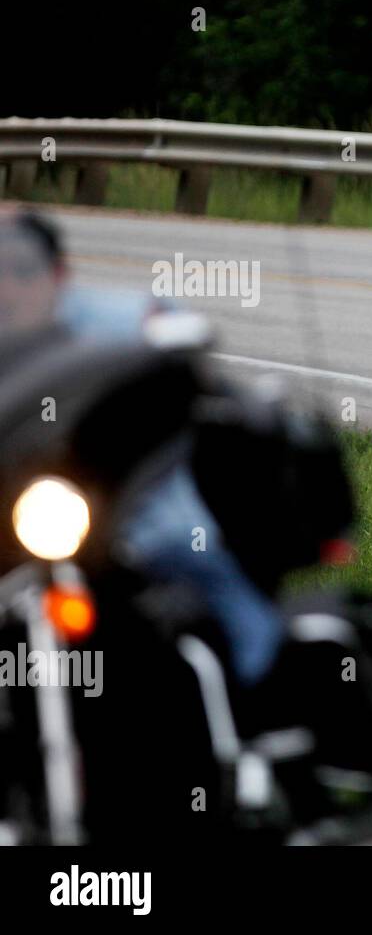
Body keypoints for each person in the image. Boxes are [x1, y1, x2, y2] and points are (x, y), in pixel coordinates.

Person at [0, 208, 285, 690]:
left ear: (58, 276)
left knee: (198, 566)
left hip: (124, 523)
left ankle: (261, 715)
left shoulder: (117, 321)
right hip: (12, 537)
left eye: (23, 272)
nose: (7, 289)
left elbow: (182, 351)